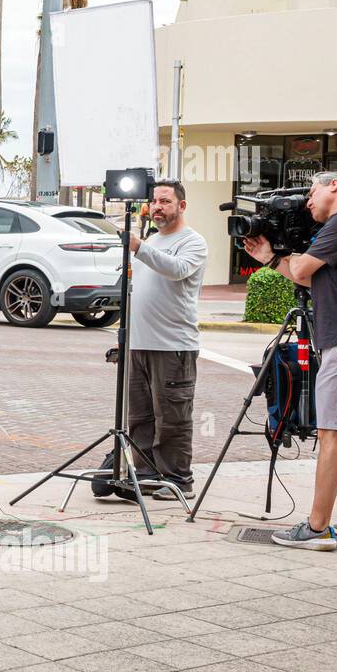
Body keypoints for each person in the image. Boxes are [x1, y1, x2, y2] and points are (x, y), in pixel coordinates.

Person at [244, 171, 337, 551]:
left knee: (332, 432)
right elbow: (315, 280)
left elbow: (300, 270)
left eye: (311, 193)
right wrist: (269, 258)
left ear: (334, 186)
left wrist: (275, 256)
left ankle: (317, 528)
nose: (308, 202)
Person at [124, 182, 207, 498]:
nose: (157, 207)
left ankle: (178, 480)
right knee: (140, 417)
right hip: (139, 344)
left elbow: (178, 270)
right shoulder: (152, 240)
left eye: (165, 201)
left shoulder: (192, 242)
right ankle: (146, 475)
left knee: (172, 417)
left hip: (174, 346)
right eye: (154, 201)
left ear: (181, 206)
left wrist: (139, 248)